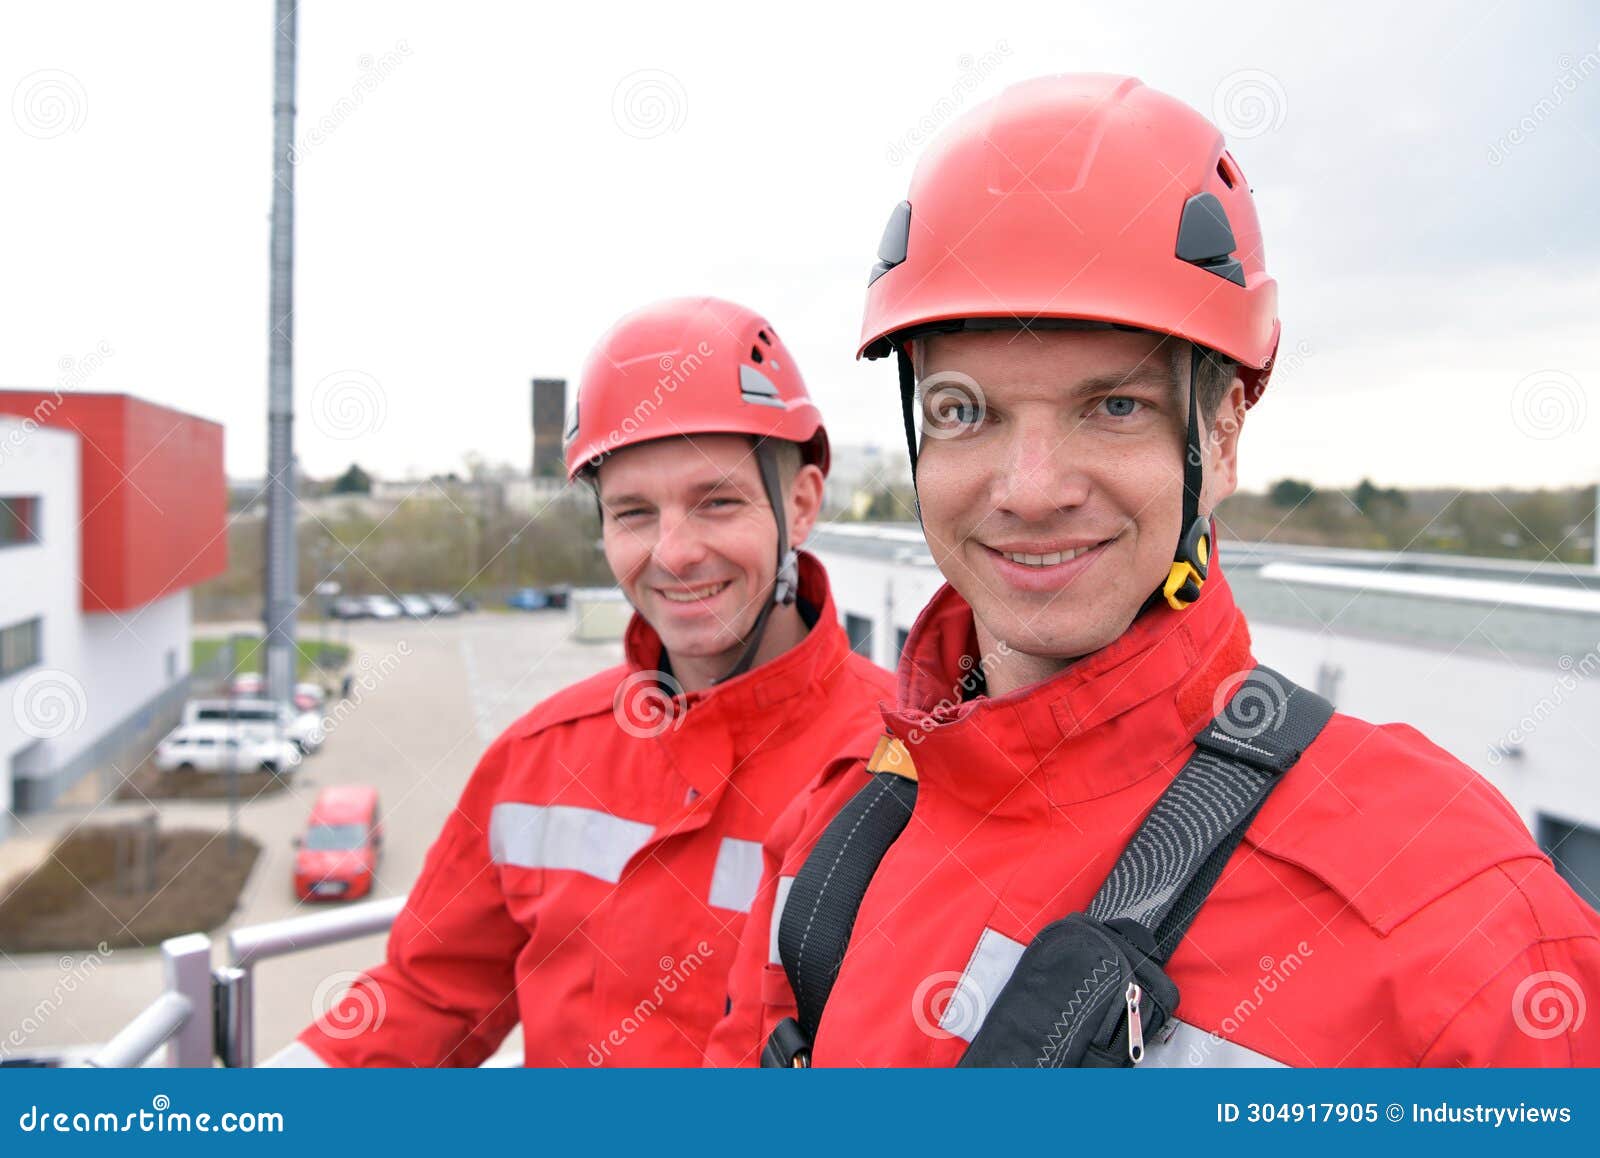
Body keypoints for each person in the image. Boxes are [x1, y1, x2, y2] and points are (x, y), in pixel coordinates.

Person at [706, 75, 1600, 1067]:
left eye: (1113, 406)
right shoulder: (837, 838)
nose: (1030, 489)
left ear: (1221, 437)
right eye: (965, 410)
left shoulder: (1448, 916)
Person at [266, 297, 893, 1067]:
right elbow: (431, 997)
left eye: (717, 501)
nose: (674, 552)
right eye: (633, 512)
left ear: (799, 507)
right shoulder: (539, 757)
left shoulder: (911, 761)